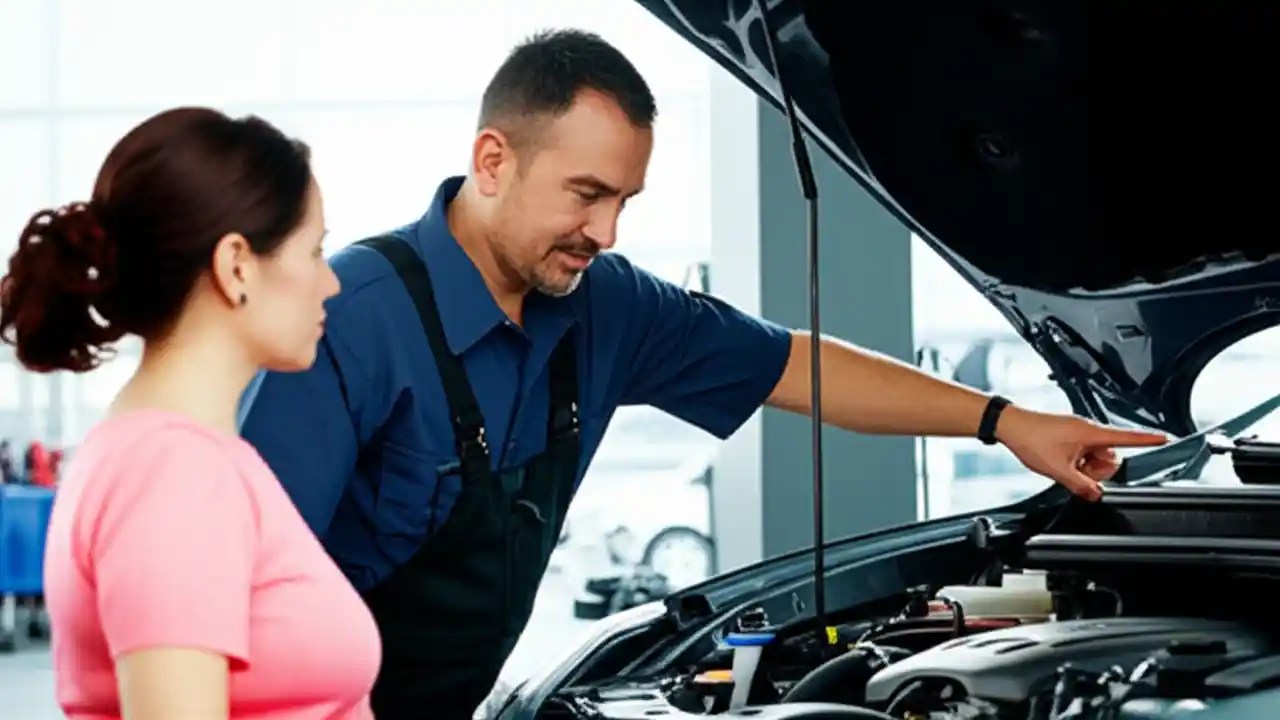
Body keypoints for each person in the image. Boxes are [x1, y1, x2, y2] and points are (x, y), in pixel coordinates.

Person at [238, 29, 1168, 718]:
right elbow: (233, 609)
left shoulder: (605, 305)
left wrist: (1007, 421)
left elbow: (795, 366)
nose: (606, 234)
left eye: (625, 202)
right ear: (493, 161)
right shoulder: (345, 323)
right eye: (586, 195)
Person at [0, 107, 380, 720]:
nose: (329, 285)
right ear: (237, 267)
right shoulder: (172, 471)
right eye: (314, 252)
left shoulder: (185, 456)